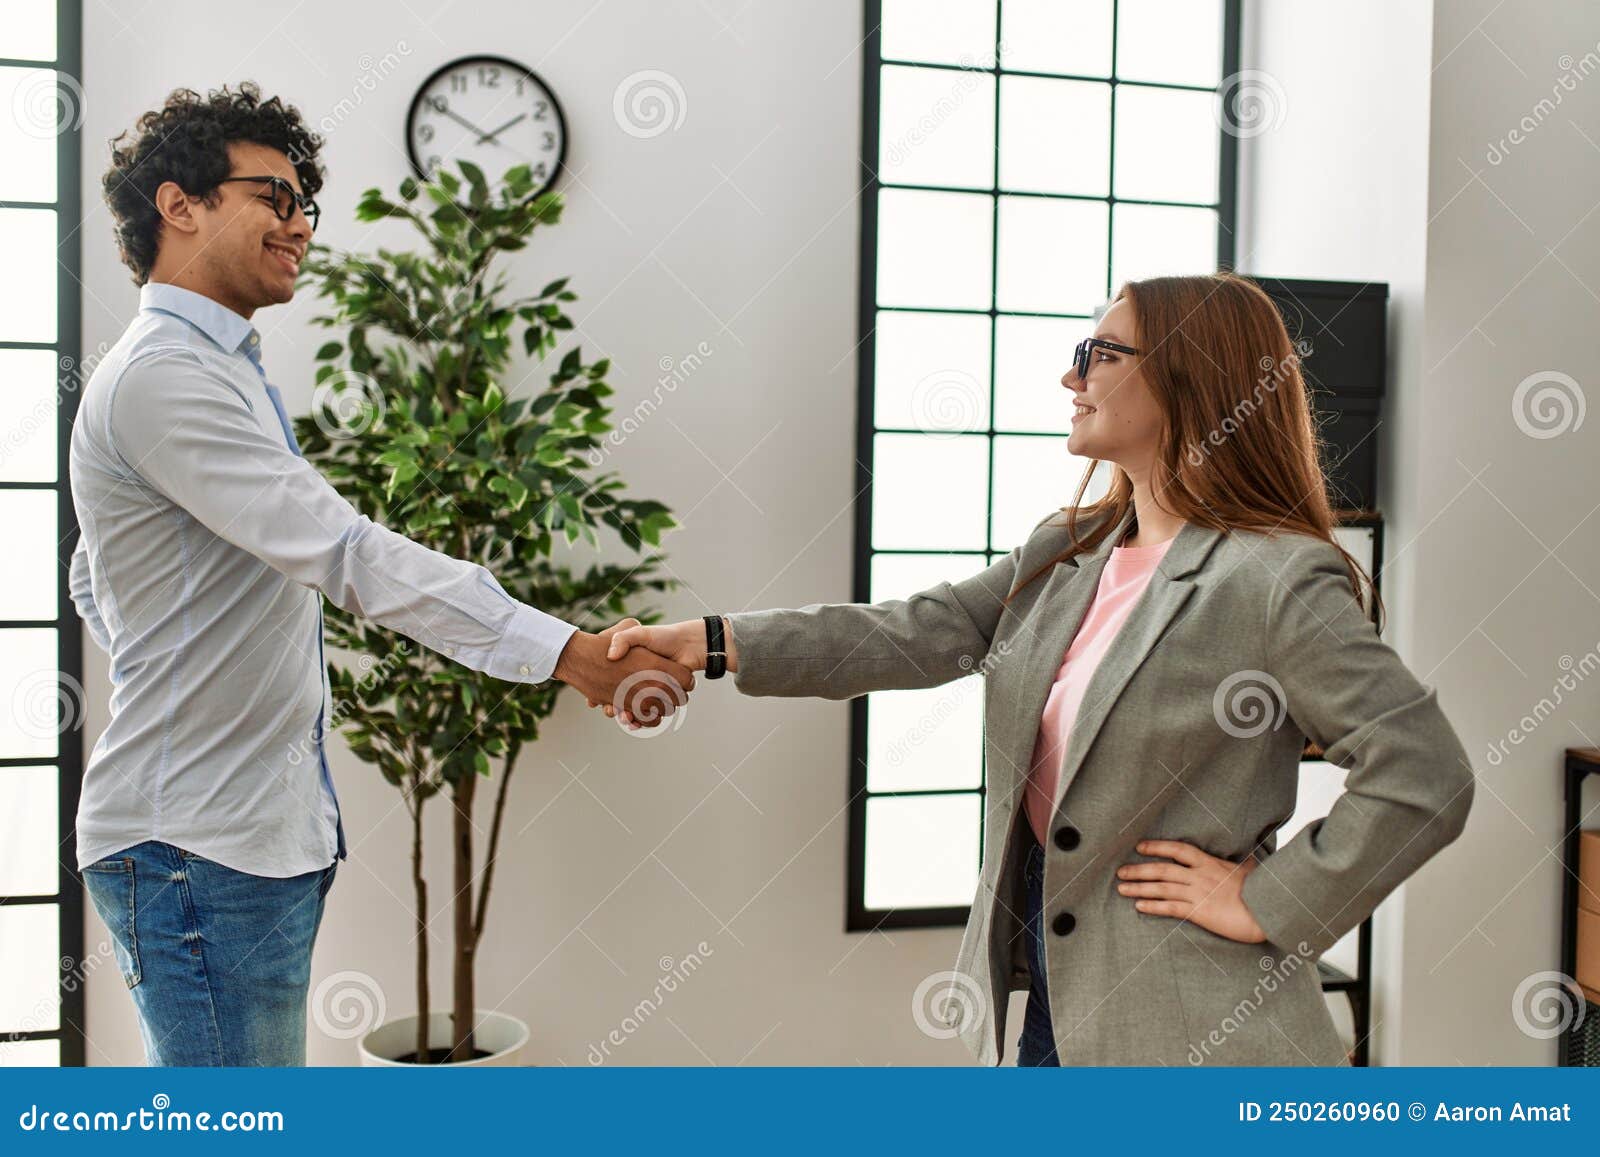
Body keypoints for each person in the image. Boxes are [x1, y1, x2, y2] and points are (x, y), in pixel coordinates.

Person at [598, 272, 1476, 1066]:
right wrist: (710, 641)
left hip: (1199, 1031)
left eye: (1098, 353)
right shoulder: (1071, 549)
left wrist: (1271, 900)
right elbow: (919, 630)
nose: (1072, 377)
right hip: (1053, 1007)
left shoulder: (1273, 576)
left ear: (1189, 375)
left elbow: (1423, 773)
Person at [69, 83, 689, 1066]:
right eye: (272, 194)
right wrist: (566, 652)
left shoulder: (209, 367)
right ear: (177, 204)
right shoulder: (165, 375)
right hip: (199, 846)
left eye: (305, 200)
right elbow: (348, 551)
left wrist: (182, 669)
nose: (300, 222)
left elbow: (94, 578)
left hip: (239, 839)